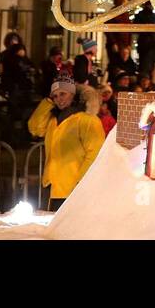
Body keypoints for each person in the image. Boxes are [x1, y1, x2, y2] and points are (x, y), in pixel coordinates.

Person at [28, 73, 106, 209]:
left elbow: (94, 155)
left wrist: (81, 183)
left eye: (63, 94)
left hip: (75, 189)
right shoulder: (52, 120)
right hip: (52, 187)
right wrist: (47, 102)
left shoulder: (88, 120)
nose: (59, 99)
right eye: (55, 96)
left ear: (73, 94)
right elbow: (34, 128)